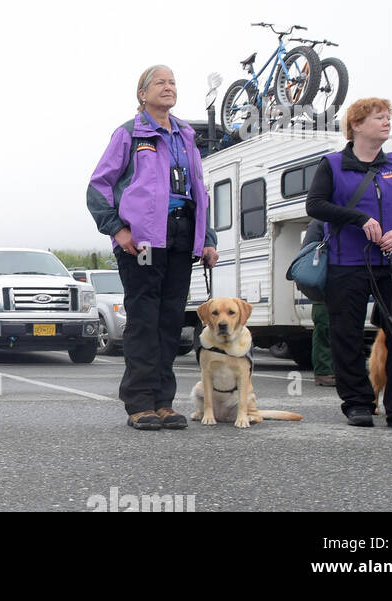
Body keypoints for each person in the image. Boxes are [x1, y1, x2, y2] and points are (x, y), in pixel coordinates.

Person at [87, 65, 218, 431]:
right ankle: (140, 402)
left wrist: (206, 238)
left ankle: (164, 403)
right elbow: (98, 187)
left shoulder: (186, 137)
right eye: (160, 82)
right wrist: (117, 229)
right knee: (144, 319)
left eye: (173, 82)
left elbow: (199, 191)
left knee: (170, 320)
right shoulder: (130, 133)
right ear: (142, 94)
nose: (168, 87)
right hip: (142, 242)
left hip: (179, 237)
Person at [306, 97, 392, 431]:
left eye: (388, 117)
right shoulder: (332, 164)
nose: (386, 122)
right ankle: (358, 403)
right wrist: (358, 219)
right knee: (346, 334)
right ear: (357, 125)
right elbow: (315, 205)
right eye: (378, 117)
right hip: (347, 263)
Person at [302, 219, 336, 387]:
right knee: (324, 327)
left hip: (343, 281)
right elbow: (308, 250)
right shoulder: (319, 222)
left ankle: (337, 370)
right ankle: (324, 372)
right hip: (324, 282)